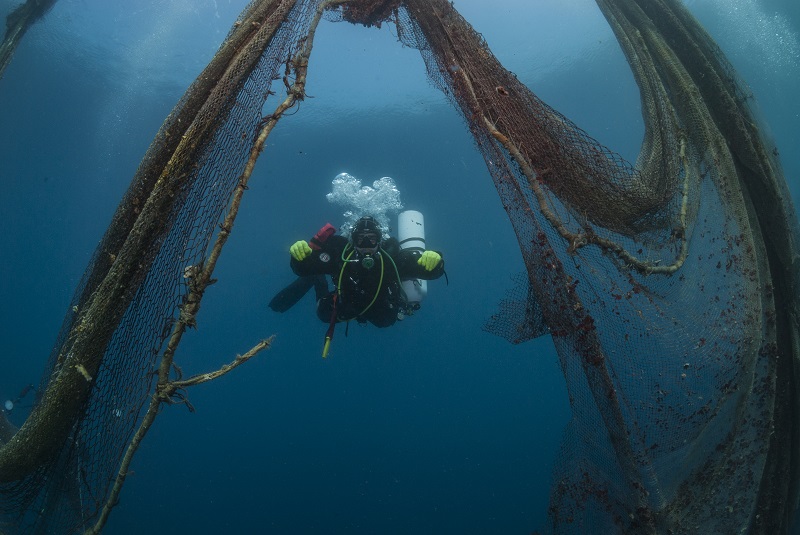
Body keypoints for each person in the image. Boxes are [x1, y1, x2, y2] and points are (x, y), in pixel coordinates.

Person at [281, 215, 445, 328]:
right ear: (353, 240)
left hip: (380, 307)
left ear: (379, 241)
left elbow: (428, 271)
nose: (366, 243)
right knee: (323, 314)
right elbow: (303, 269)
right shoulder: (342, 256)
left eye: (371, 239)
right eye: (361, 238)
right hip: (347, 304)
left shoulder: (390, 259)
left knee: (386, 322)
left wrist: (435, 261)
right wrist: (298, 258)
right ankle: (318, 279)